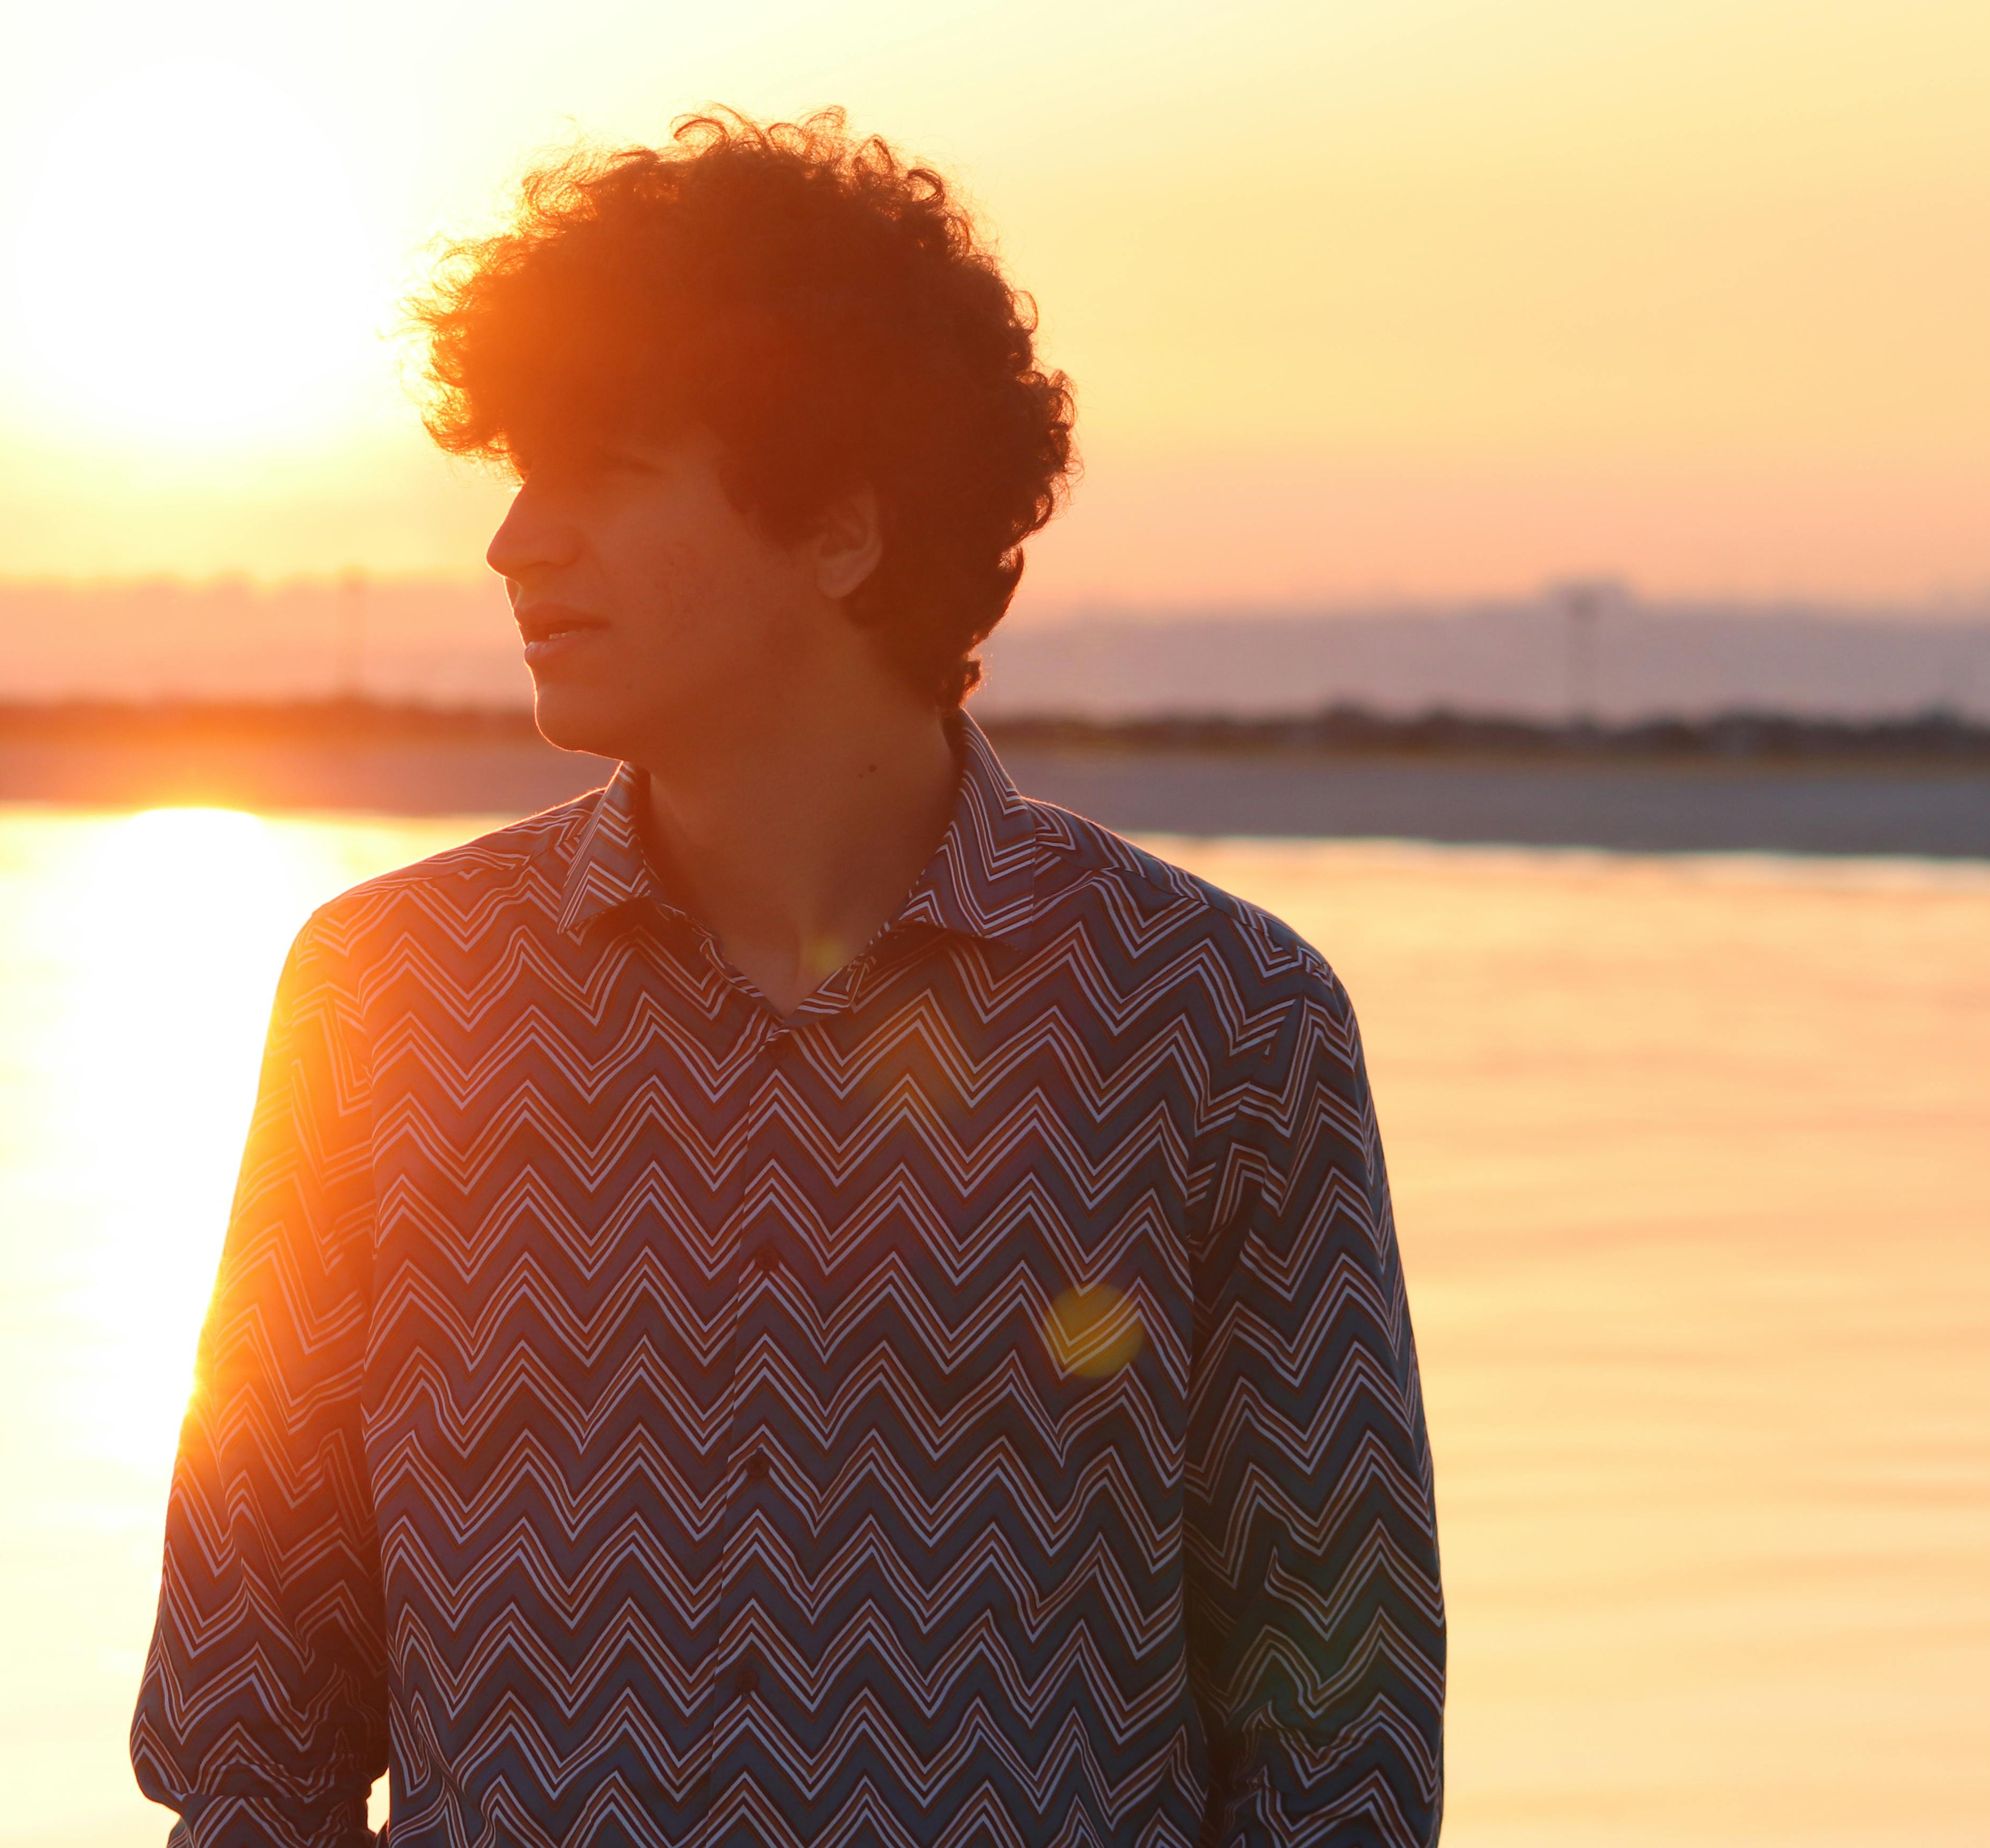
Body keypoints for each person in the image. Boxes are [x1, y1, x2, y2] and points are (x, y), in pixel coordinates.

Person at [133, 110, 1443, 1847]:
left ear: (838, 530)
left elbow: (1338, 1743)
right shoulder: (390, 999)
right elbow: (252, 1726)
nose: (516, 543)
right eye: (518, 475)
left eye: (604, 470)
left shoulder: (1215, 1019)